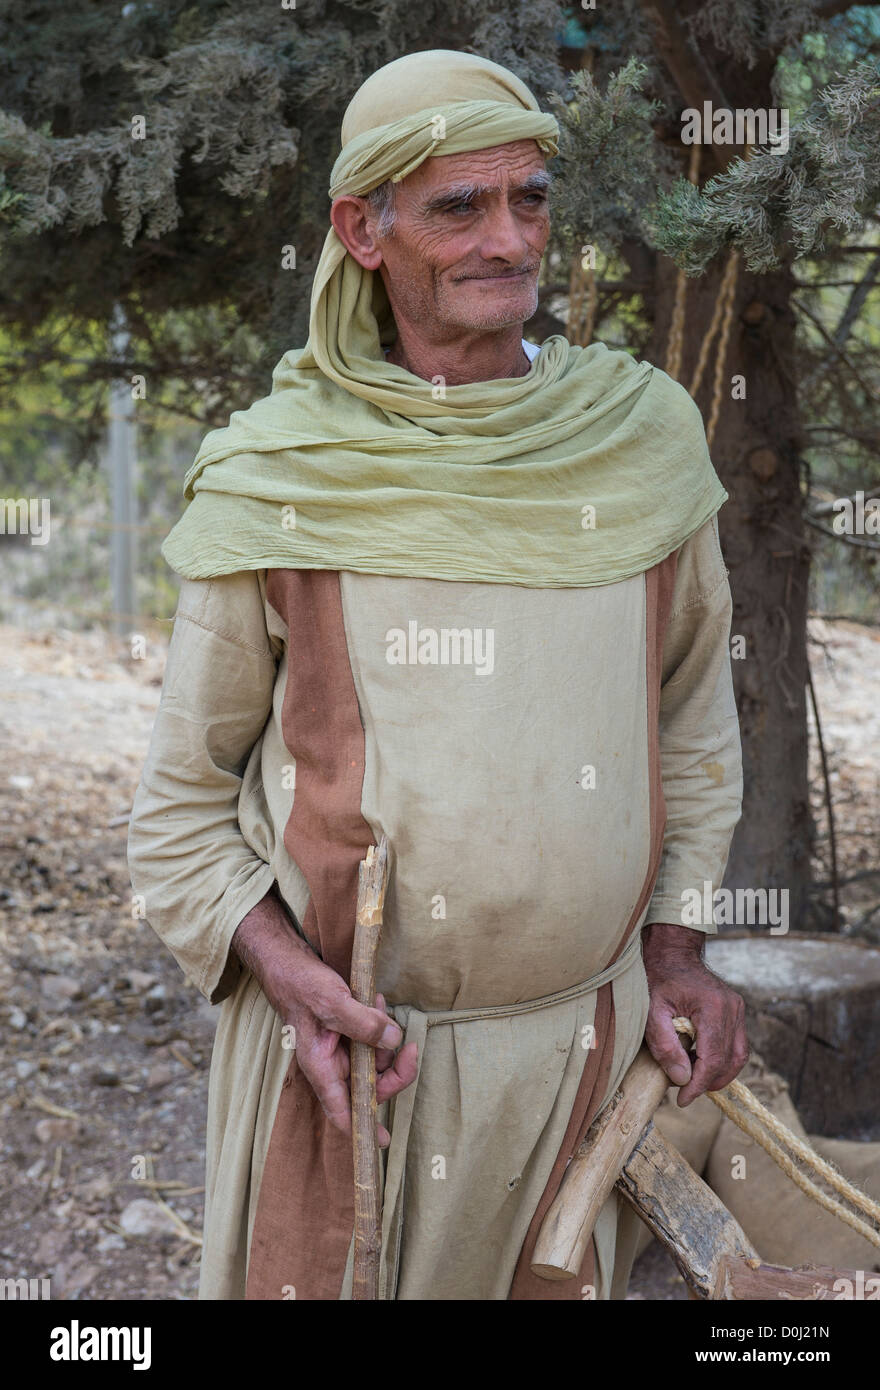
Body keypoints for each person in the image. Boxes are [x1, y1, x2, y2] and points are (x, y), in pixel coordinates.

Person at [127, 48, 747, 1301]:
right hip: (354, 1068)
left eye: (529, 199)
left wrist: (676, 952)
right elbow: (181, 813)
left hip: (579, 1051)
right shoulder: (283, 476)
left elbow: (688, 718)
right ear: (364, 229)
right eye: (460, 206)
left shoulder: (636, 444)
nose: (508, 238)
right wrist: (287, 975)